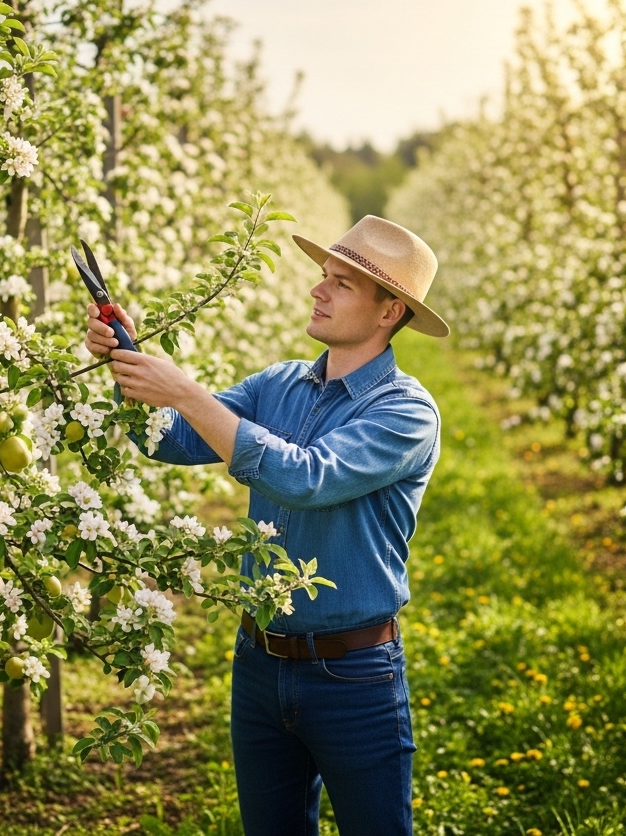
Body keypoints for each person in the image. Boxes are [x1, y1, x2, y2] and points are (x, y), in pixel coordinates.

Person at [84, 215, 448, 836]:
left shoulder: (406, 412)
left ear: (390, 312)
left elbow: (306, 478)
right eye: (323, 276)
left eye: (343, 284)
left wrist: (185, 390)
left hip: (353, 675)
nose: (319, 290)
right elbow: (171, 439)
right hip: (258, 659)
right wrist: (132, 364)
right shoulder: (278, 384)